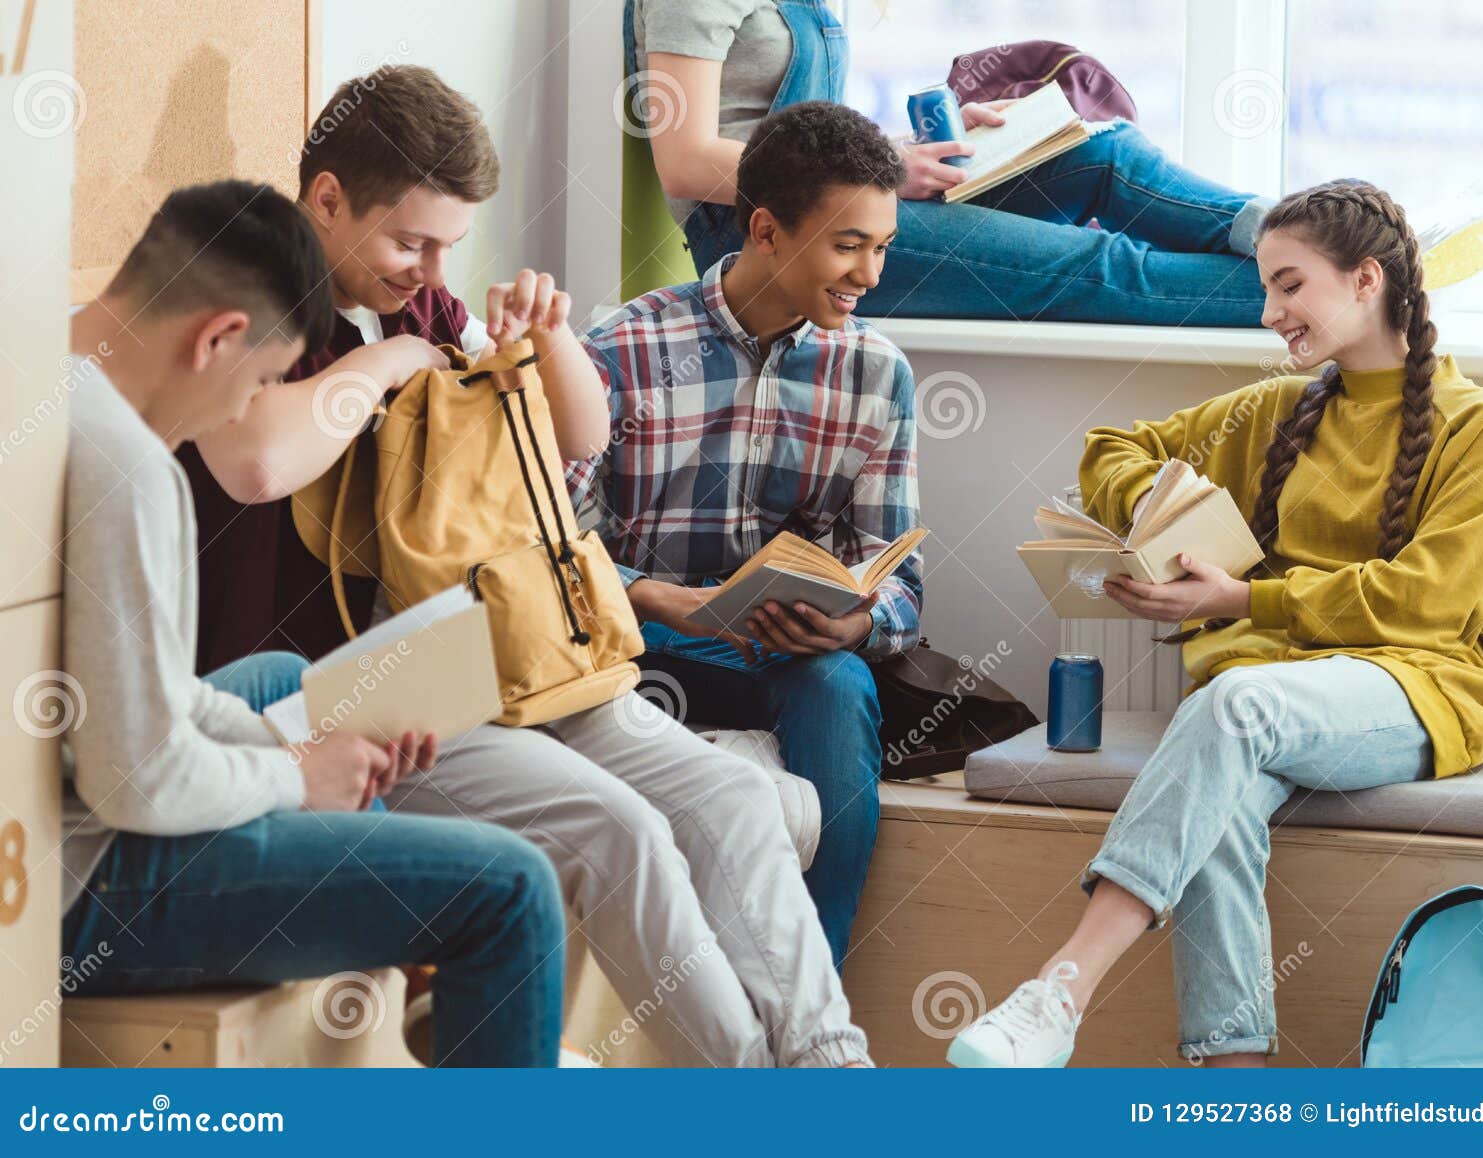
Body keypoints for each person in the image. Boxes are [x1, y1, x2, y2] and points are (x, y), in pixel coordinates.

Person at [181, 66, 870, 1067]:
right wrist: (389, 367)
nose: (426, 267)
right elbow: (253, 464)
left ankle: (831, 1071)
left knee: (726, 798)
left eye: (446, 246)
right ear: (325, 199)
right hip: (332, 699)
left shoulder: (419, 305)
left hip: (477, 662)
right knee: (619, 830)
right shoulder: (246, 296)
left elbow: (577, 440)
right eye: (410, 241)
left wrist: (545, 337)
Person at [946, 179, 1483, 1067]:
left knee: (1231, 707)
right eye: (1266, 288)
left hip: (1422, 690)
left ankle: (1062, 987)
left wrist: (1240, 601)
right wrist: (1161, 507)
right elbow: (1112, 448)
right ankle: (1235, 1087)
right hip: (1271, 698)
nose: (1270, 312)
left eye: (1290, 285)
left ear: (1368, 278)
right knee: (1217, 798)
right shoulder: (1274, 412)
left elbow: (1431, 600)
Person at [60, 180, 566, 1067]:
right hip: (72, 887)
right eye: (256, 381)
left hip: (56, 781)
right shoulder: (126, 467)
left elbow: (136, 700)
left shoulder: (44, 363)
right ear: (216, 337)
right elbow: (137, 785)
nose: (234, 416)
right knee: (513, 888)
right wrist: (296, 776)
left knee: (279, 684)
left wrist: (281, 746)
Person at [570, 101, 920, 965]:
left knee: (837, 685)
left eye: (882, 246)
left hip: (780, 656)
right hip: (636, 642)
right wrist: (661, 600)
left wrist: (856, 620)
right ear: (766, 229)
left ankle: (811, 1008)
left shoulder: (877, 374)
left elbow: (902, 584)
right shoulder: (621, 349)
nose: (870, 274)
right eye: (849, 246)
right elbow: (552, 555)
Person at [628, 0, 1483, 326]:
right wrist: (885, 167)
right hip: (780, 242)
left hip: (850, 191)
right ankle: (1338, 290)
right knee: (1093, 267)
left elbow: (788, 123)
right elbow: (686, 158)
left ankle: (1315, 237)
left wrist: (922, 143)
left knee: (1099, 152)